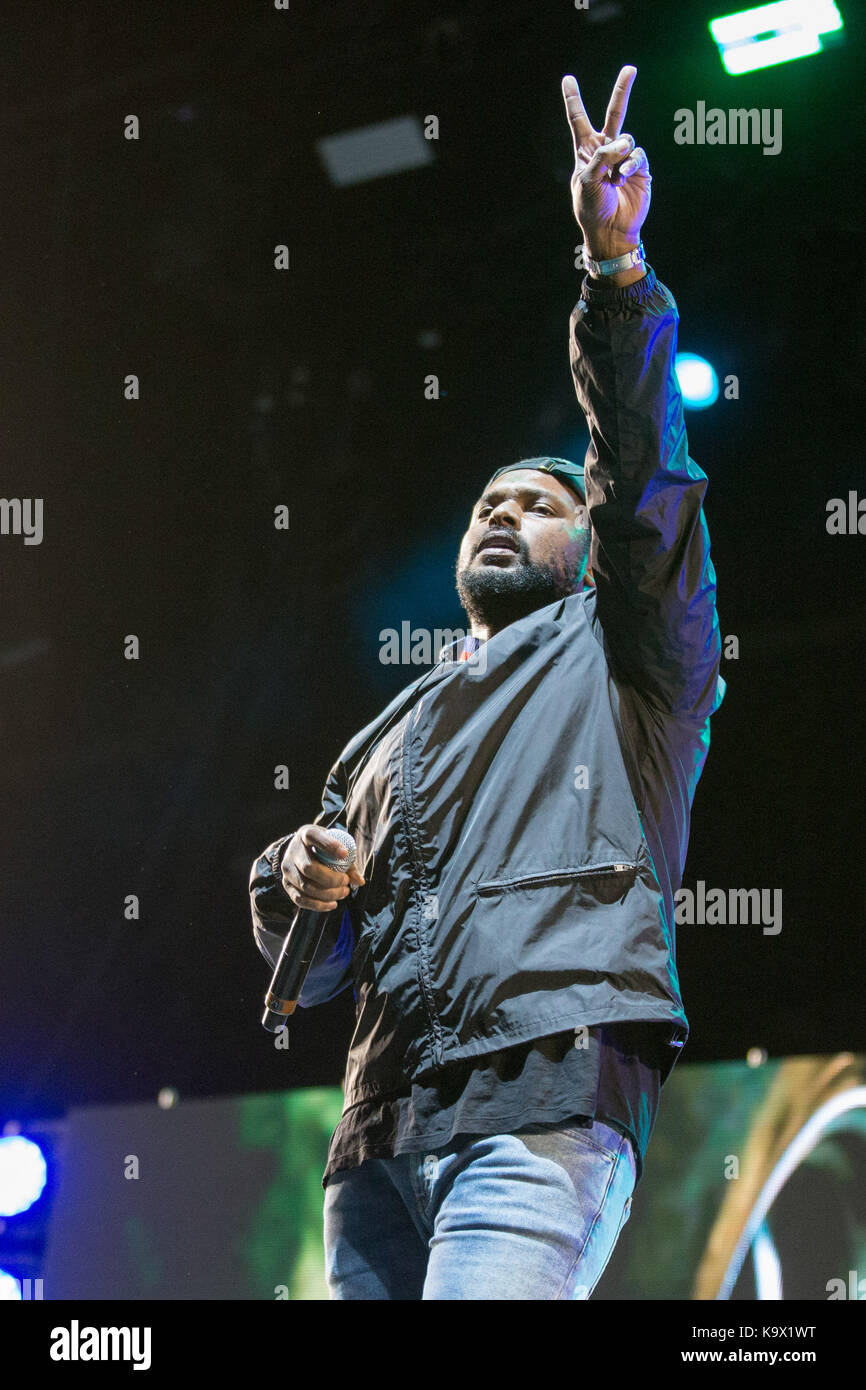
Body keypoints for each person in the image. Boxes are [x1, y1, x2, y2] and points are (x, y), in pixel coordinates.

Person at [250, 64, 725, 1300]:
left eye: (540, 503)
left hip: (540, 1096)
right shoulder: (384, 733)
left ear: (587, 542)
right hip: (376, 1132)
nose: (504, 517)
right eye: (484, 505)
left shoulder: (627, 649)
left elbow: (641, 481)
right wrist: (299, 876)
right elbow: (314, 959)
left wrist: (613, 274)